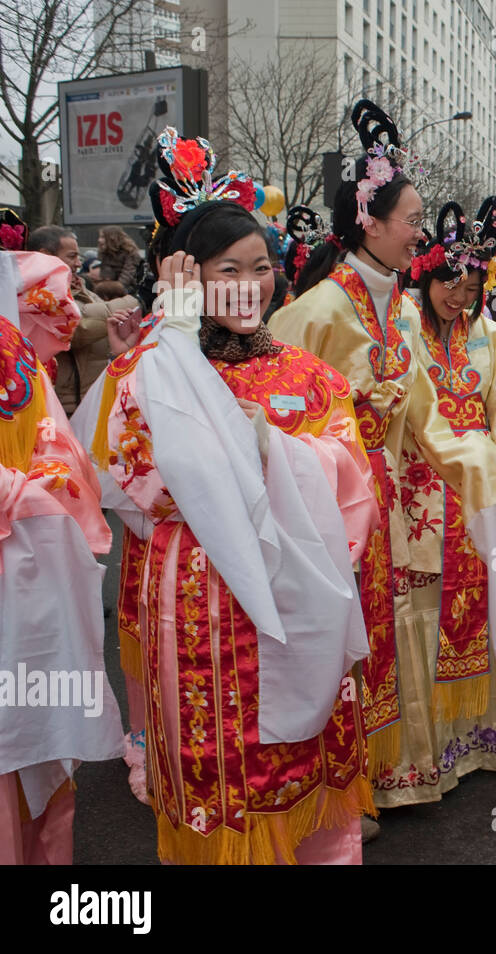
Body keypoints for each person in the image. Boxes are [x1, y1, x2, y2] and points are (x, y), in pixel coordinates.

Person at [80, 129, 387, 865]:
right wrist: (175, 346)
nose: (252, 286)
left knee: (304, 770)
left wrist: (269, 452)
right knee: (215, 769)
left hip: (296, 599)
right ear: (185, 278)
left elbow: (353, 481)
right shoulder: (149, 371)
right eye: (229, 271)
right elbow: (129, 473)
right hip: (197, 608)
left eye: (264, 268)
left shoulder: (309, 375)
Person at [270, 101, 496, 818]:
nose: (420, 231)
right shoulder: (320, 310)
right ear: (370, 221)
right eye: (412, 218)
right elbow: (269, 408)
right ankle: (327, 793)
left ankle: (365, 785)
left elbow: (428, 419)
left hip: (389, 507)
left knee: (377, 642)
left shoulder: (400, 312)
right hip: (328, 513)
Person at [375, 197, 496, 808]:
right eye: (450, 281)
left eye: (470, 286)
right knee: (418, 613)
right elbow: (409, 412)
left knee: (487, 601)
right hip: (418, 487)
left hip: (477, 494)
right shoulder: (403, 326)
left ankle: (485, 740)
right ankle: (419, 762)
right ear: (427, 273)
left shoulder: (489, 335)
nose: (459, 296)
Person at [1, 247, 122, 865]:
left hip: (39, 590)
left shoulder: (33, 377)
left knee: (43, 754)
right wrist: (27, 489)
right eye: (57, 296)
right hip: (14, 595)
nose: (74, 310)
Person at [28, 225, 139, 416]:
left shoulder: (82, 289)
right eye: (71, 256)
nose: (79, 263)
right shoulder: (34, 296)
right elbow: (79, 325)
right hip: (63, 411)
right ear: (45, 255)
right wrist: (136, 301)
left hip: (92, 404)